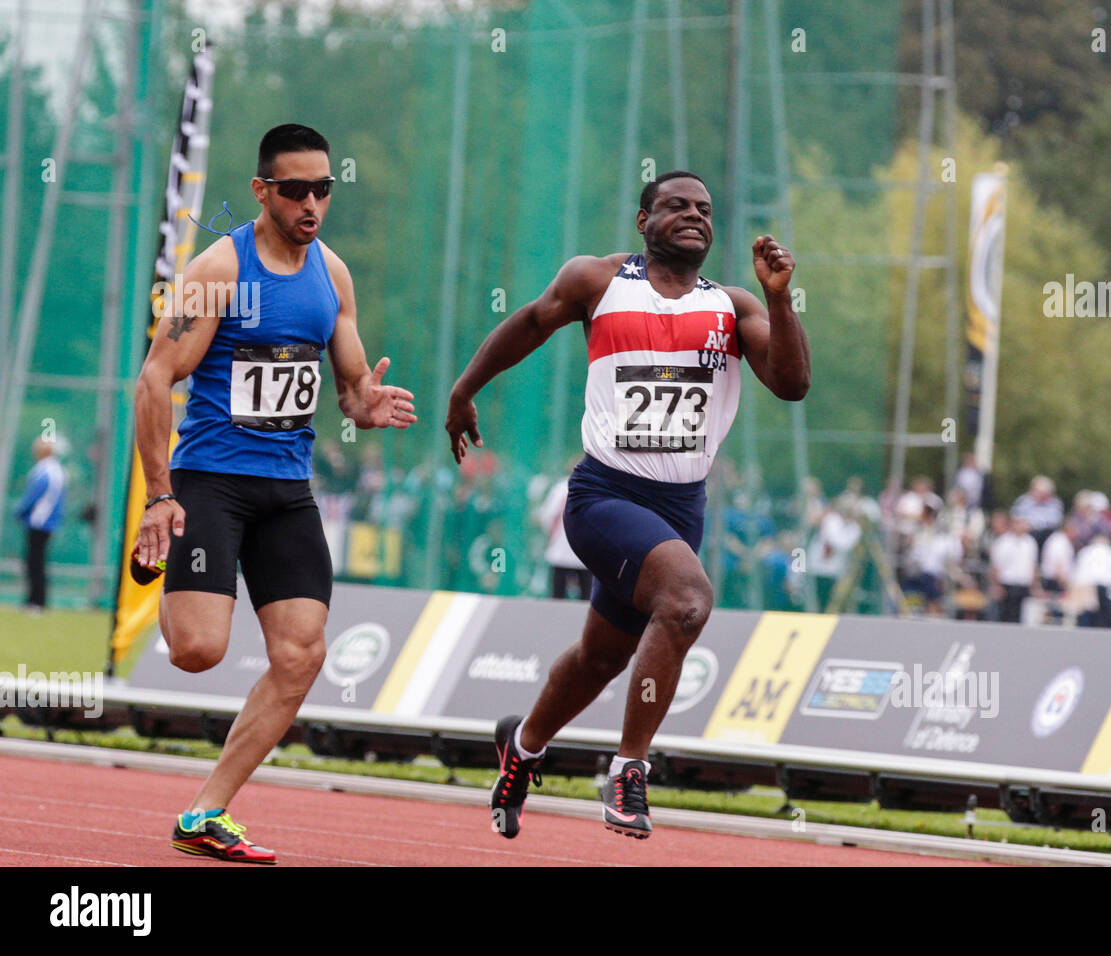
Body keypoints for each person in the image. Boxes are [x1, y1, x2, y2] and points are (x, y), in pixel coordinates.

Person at [445, 170, 809, 840]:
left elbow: (790, 384)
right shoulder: (600, 280)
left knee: (599, 658)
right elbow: (529, 322)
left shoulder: (733, 307)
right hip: (605, 496)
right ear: (643, 221)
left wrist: (780, 301)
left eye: (704, 209)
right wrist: (465, 390)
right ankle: (628, 768)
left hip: (680, 510)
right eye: (675, 206)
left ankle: (520, 748)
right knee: (687, 600)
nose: (693, 215)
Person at [131, 124, 417, 863]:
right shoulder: (216, 271)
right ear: (262, 191)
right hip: (212, 483)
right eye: (295, 190)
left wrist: (366, 403)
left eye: (324, 188)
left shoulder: (334, 276)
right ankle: (164, 550)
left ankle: (204, 814)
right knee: (197, 650)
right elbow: (156, 378)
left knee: (301, 655)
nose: (312, 202)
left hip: (288, 490)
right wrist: (161, 495)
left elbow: (351, 388)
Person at [13, 436, 67, 612]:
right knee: (36, 562)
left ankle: (36, 601)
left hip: (39, 522)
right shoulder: (54, 470)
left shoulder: (46, 471)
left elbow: (33, 497)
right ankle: (34, 600)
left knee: (35, 562)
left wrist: (21, 511)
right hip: (45, 523)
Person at [537, 464, 592, 600]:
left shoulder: (560, 488)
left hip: (560, 550)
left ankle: (556, 619)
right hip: (585, 552)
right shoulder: (593, 488)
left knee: (558, 595)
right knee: (586, 597)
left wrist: (551, 535)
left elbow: (547, 516)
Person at [989, 514, 1038, 623]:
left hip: (1024, 584)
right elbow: (996, 566)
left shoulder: (1030, 542)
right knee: (1005, 616)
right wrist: (996, 585)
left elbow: (1033, 566)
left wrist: (1035, 585)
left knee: (1021, 617)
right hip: (1007, 584)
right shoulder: (1003, 542)